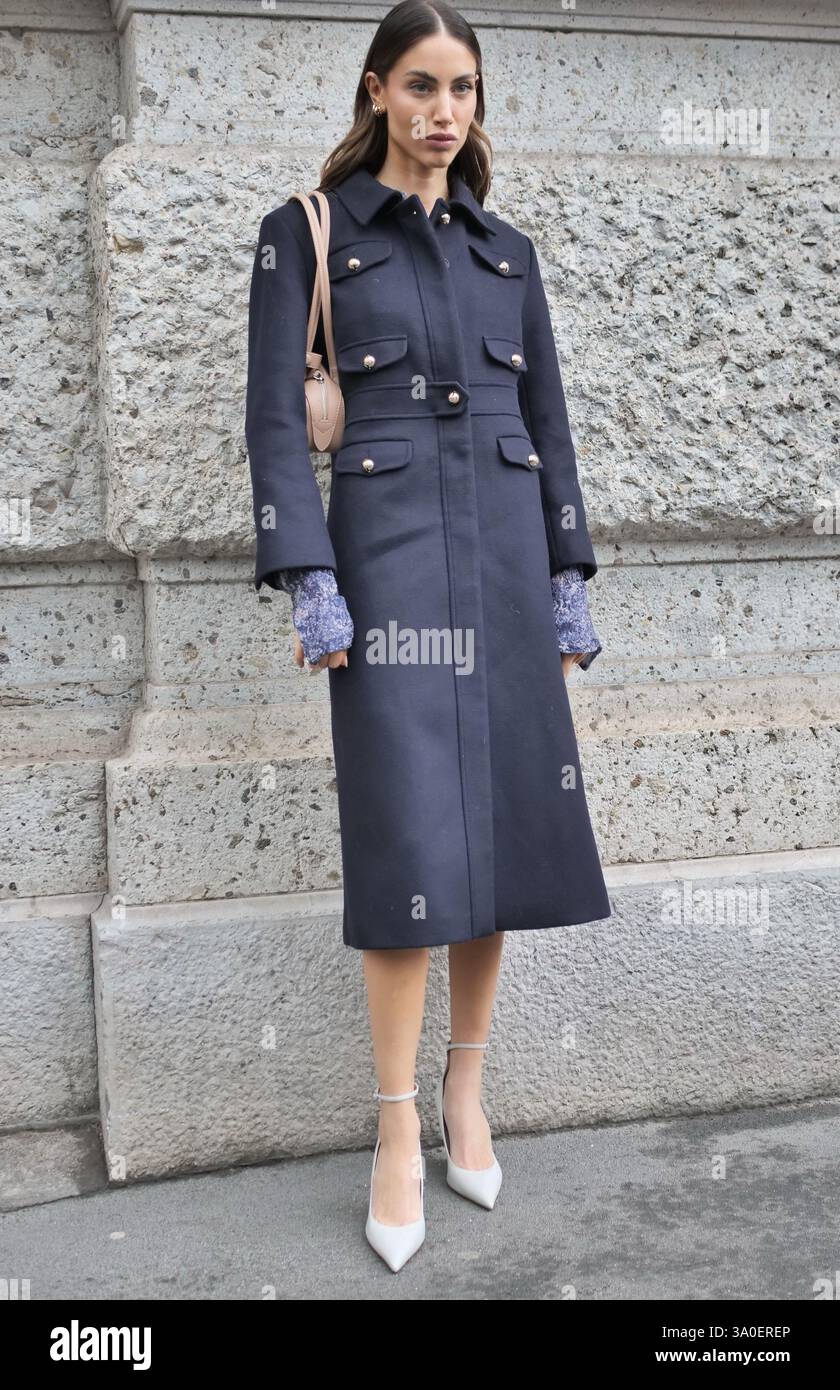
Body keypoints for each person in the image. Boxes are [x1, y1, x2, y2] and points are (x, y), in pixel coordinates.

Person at [245, 0, 612, 1272]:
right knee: (409, 828)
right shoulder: (308, 235)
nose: (444, 109)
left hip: (507, 558)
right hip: (389, 564)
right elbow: (272, 424)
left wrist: (570, 570)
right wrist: (308, 576)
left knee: (499, 827)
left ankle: (469, 1089)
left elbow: (550, 421)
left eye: (462, 87)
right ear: (376, 91)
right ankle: (397, 1128)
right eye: (420, 84)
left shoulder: (508, 250)